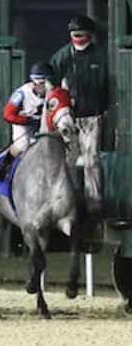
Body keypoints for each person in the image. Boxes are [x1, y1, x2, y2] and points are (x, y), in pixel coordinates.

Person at [50, 14, 108, 216]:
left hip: (92, 117)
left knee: (92, 161)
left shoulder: (100, 56)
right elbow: (53, 89)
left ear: (91, 35)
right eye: (75, 34)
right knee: (68, 161)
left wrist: (104, 110)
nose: (78, 38)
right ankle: (71, 200)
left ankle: (94, 204)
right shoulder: (61, 57)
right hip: (68, 119)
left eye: (82, 34)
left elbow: (108, 86)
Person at [0, 62, 57, 182]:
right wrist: (27, 120)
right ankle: (4, 166)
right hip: (24, 124)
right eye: (42, 84)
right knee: (23, 143)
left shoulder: (53, 93)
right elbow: (8, 115)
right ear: (34, 82)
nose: (46, 88)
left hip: (44, 124)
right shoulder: (21, 93)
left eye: (49, 84)